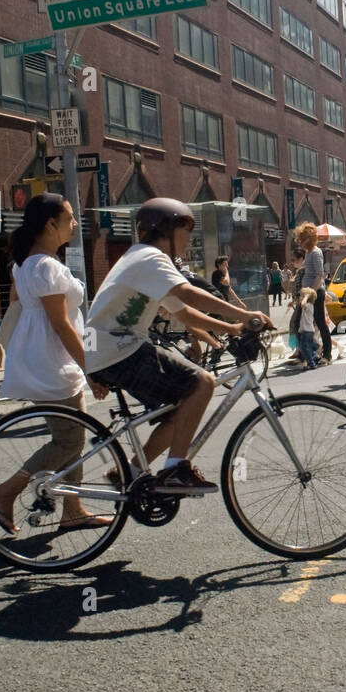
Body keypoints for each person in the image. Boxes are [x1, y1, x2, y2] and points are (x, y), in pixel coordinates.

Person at [85, 198, 272, 494]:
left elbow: (182, 313)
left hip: (112, 350)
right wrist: (245, 314)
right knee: (202, 382)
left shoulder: (144, 261)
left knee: (182, 409)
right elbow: (187, 294)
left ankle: (129, 472)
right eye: (186, 231)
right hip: (119, 350)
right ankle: (174, 470)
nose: (189, 240)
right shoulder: (150, 258)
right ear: (167, 230)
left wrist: (232, 328)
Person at [0, 194, 112, 533]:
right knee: (68, 440)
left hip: (43, 359)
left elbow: (22, 312)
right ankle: (4, 493)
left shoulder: (25, 264)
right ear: (50, 224)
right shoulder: (46, 267)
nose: (74, 223)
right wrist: (90, 368)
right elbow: (60, 324)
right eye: (69, 217)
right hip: (52, 362)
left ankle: (73, 509)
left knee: (73, 436)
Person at [295, 224, 332, 364]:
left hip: (314, 292)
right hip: (308, 292)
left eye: (302, 239)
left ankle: (326, 355)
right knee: (303, 323)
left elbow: (319, 274)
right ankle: (307, 353)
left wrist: (312, 293)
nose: (300, 242)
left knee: (320, 323)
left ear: (309, 239)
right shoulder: (309, 252)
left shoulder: (315, 252)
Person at [295, 287, 319, 369]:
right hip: (306, 331)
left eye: (302, 296)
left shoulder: (309, 305)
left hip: (307, 331)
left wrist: (306, 296)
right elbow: (300, 304)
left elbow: (303, 304)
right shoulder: (308, 306)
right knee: (308, 347)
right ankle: (315, 356)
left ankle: (311, 363)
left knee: (304, 348)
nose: (300, 297)